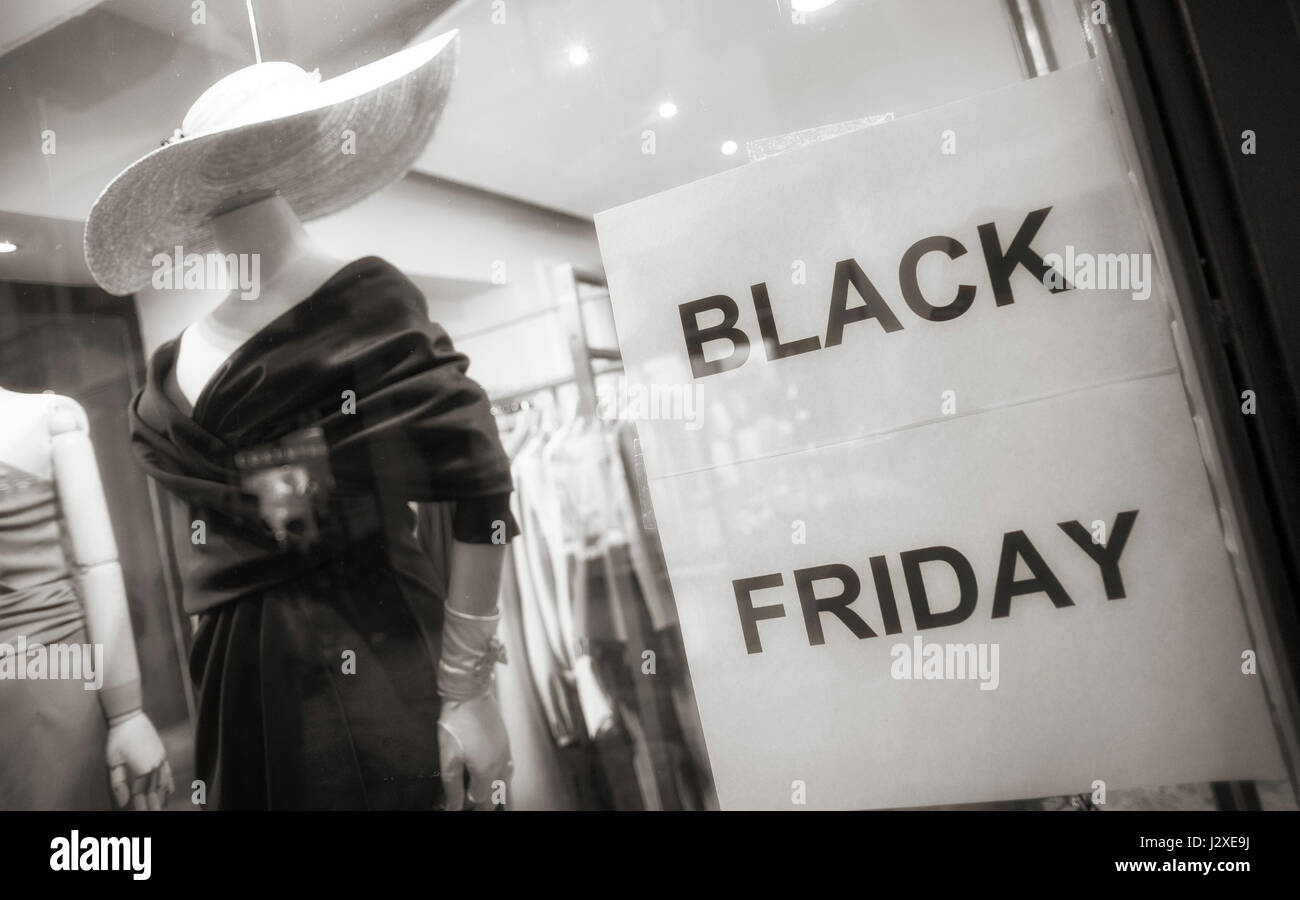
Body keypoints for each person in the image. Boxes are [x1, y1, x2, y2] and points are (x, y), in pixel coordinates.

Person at [83, 30, 516, 809]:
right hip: (240, 676)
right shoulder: (175, 366)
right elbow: (463, 488)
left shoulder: (362, 305)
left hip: (369, 645)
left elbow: (480, 489)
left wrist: (467, 687)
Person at [0, 387, 172, 810]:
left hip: (46, 681)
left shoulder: (49, 420)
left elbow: (100, 569)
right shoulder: (49, 419)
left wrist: (127, 714)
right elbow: (99, 568)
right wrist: (126, 714)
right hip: (48, 675)